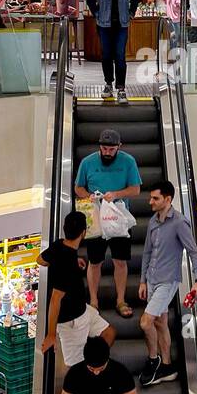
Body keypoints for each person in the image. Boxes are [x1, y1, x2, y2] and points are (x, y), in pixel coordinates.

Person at [139, 179, 197, 388]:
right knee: (160, 322)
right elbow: (147, 253)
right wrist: (143, 281)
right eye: (151, 197)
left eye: (155, 198)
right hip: (152, 280)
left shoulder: (179, 222)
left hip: (168, 282)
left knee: (145, 322)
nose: (150, 201)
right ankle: (167, 365)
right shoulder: (153, 221)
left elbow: (194, 253)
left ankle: (154, 360)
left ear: (168, 200)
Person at [75, 129, 142, 319]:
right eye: (104, 148)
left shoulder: (128, 161)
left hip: (119, 219)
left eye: (111, 149)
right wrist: (88, 196)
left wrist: (116, 194)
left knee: (120, 261)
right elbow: (78, 187)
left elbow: (136, 189)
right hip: (95, 219)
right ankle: (94, 301)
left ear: (119, 147)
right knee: (95, 262)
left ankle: (120, 300)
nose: (107, 152)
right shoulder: (87, 162)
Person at [39, 210, 116, 367]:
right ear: (83, 232)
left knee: (109, 333)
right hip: (71, 321)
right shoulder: (67, 265)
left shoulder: (59, 245)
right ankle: (91, 371)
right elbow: (55, 300)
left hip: (82, 309)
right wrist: (51, 335)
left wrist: (72, 261)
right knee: (76, 366)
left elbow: (40, 260)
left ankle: (96, 362)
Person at [85, 0, 140, 104]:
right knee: (107, 55)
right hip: (104, 25)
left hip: (122, 24)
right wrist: (96, 13)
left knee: (120, 57)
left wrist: (131, 13)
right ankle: (108, 84)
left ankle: (121, 89)